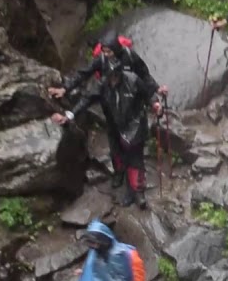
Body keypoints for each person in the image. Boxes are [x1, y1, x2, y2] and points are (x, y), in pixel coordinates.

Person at [48, 36, 168, 208]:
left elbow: (146, 87)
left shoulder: (132, 76)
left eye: (109, 51)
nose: (111, 80)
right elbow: (86, 94)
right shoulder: (103, 83)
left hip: (133, 118)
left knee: (135, 155)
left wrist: (156, 100)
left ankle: (137, 192)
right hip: (113, 113)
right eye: (104, 51)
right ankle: (121, 175)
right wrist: (69, 114)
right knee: (117, 145)